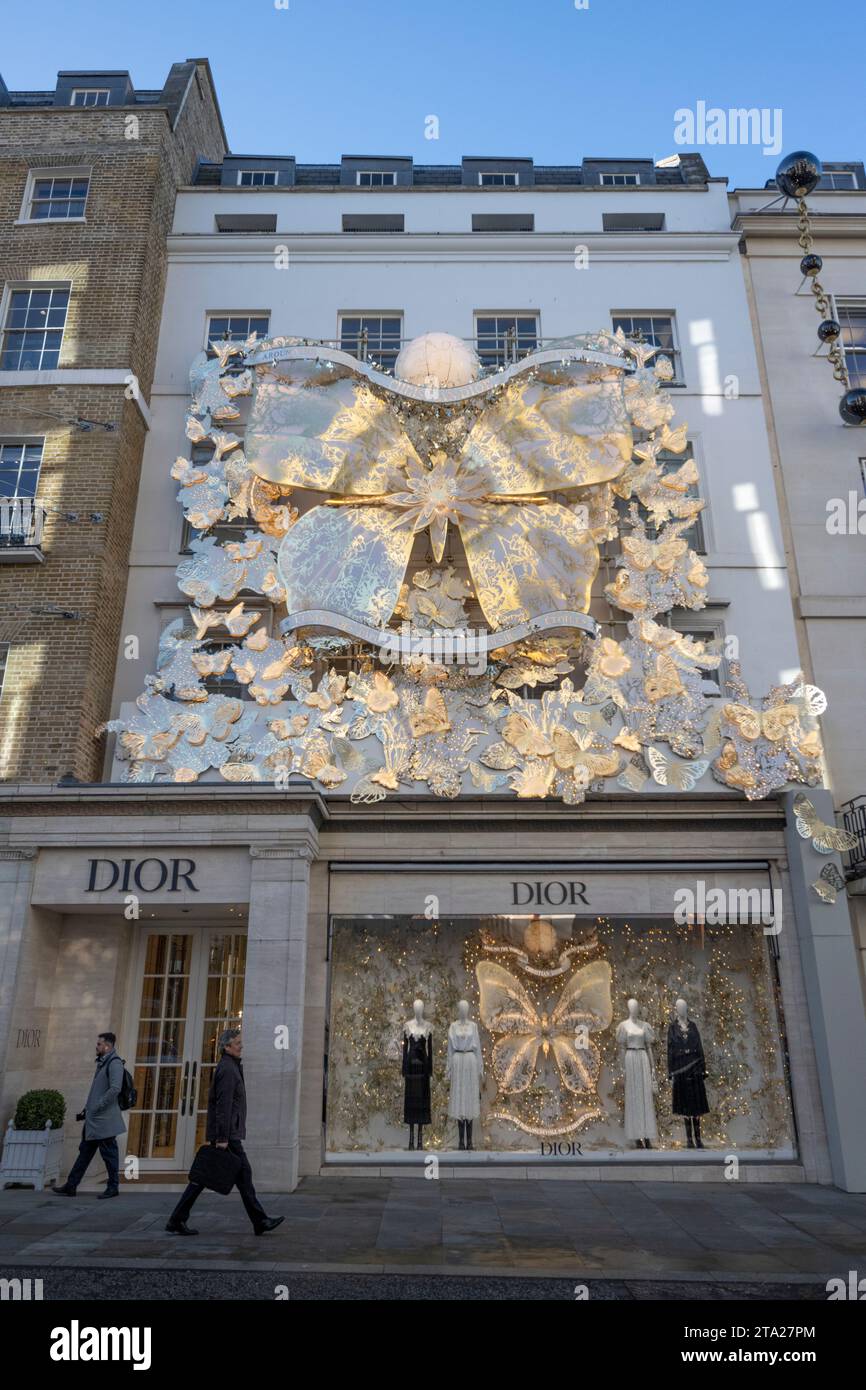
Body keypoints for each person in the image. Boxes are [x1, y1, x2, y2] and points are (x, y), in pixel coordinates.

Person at [166, 1027, 284, 1237]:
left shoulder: (231, 1066)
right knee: (226, 1175)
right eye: (237, 1043)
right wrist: (222, 1138)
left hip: (229, 1133)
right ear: (227, 1047)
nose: (241, 1047)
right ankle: (260, 1221)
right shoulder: (228, 1069)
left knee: (220, 1177)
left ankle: (259, 1221)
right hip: (228, 1136)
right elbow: (223, 1106)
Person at [54, 1032, 125, 1199]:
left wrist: (97, 1107)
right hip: (94, 1120)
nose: (96, 1046)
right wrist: (88, 1109)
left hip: (104, 1120)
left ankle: (113, 1187)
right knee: (85, 1152)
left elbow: (115, 1089)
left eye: (99, 1044)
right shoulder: (102, 1063)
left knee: (109, 1155)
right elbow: (97, 1090)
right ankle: (71, 1185)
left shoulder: (114, 1063)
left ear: (107, 1046)